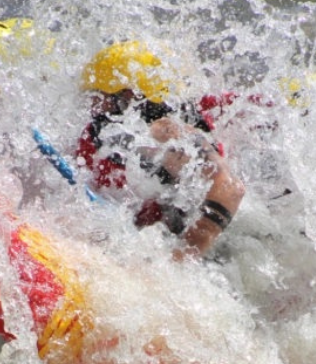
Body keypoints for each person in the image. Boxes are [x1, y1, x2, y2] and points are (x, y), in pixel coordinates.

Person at [75, 40, 246, 257]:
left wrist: (179, 261)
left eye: (99, 98)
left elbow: (230, 189)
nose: (93, 108)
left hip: (218, 251)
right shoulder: (117, 135)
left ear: (128, 97)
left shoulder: (166, 132)